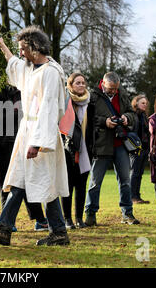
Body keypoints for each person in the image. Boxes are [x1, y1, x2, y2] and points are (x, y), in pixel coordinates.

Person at [0, 25, 69, 246]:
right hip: (27, 132)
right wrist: (1, 46)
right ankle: (8, 229)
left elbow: (48, 109)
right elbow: (15, 65)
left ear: (34, 47)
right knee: (19, 180)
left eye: (22, 48)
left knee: (42, 183)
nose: (20, 52)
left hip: (40, 134)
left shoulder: (49, 72)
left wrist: (37, 143)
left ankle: (54, 232)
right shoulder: (32, 68)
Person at [0, 86, 49, 232]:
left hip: (25, 142)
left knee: (29, 180)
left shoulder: (26, 90)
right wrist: (21, 114)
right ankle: (8, 222)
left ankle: (39, 219)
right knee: (7, 181)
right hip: (5, 144)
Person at [84, 72, 140, 226]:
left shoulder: (122, 94)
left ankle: (127, 214)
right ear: (103, 84)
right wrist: (105, 122)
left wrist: (126, 118)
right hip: (102, 145)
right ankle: (90, 214)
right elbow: (88, 119)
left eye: (115, 89)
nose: (113, 92)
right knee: (95, 181)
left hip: (120, 144)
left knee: (125, 181)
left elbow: (132, 113)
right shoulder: (93, 96)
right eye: (110, 89)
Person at [60, 72, 92, 229]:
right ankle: (67, 219)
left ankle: (79, 218)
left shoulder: (89, 102)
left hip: (85, 149)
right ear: (70, 85)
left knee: (81, 185)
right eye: (77, 83)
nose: (81, 85)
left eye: (83, 82)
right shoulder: (65, 101)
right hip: (68, 149)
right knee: (68, 185)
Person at [129, 95, 150, 204]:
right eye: (142, 103)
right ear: (136, 103)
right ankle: (132, 197)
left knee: (139, 173)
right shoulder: (133, 115)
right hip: (135, 149)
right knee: (135, 173)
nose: (145, 105)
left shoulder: (144, 116)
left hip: (144, 148)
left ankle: (137, 196)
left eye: (146, 103)